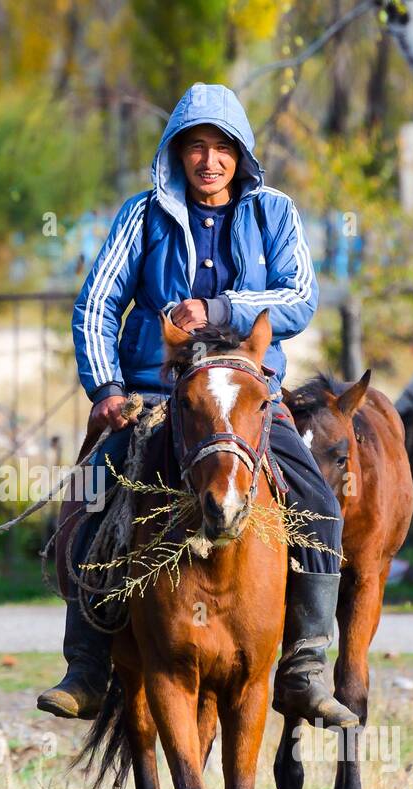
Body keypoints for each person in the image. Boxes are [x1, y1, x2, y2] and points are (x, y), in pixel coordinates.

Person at [37, 82, 357, 730]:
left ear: (241, 154)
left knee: (318, 503)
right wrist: (105, 389)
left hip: (246, 397)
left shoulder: (275, 213)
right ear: (176, 153)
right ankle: (87, 662)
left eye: (221, 148)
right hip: (158, 394)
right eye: (196, 148)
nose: (209, 161)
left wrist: (219, 309)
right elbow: (97, 303)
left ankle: (302, 664)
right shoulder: (141, 216)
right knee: (95, 492)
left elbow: (298, 296)